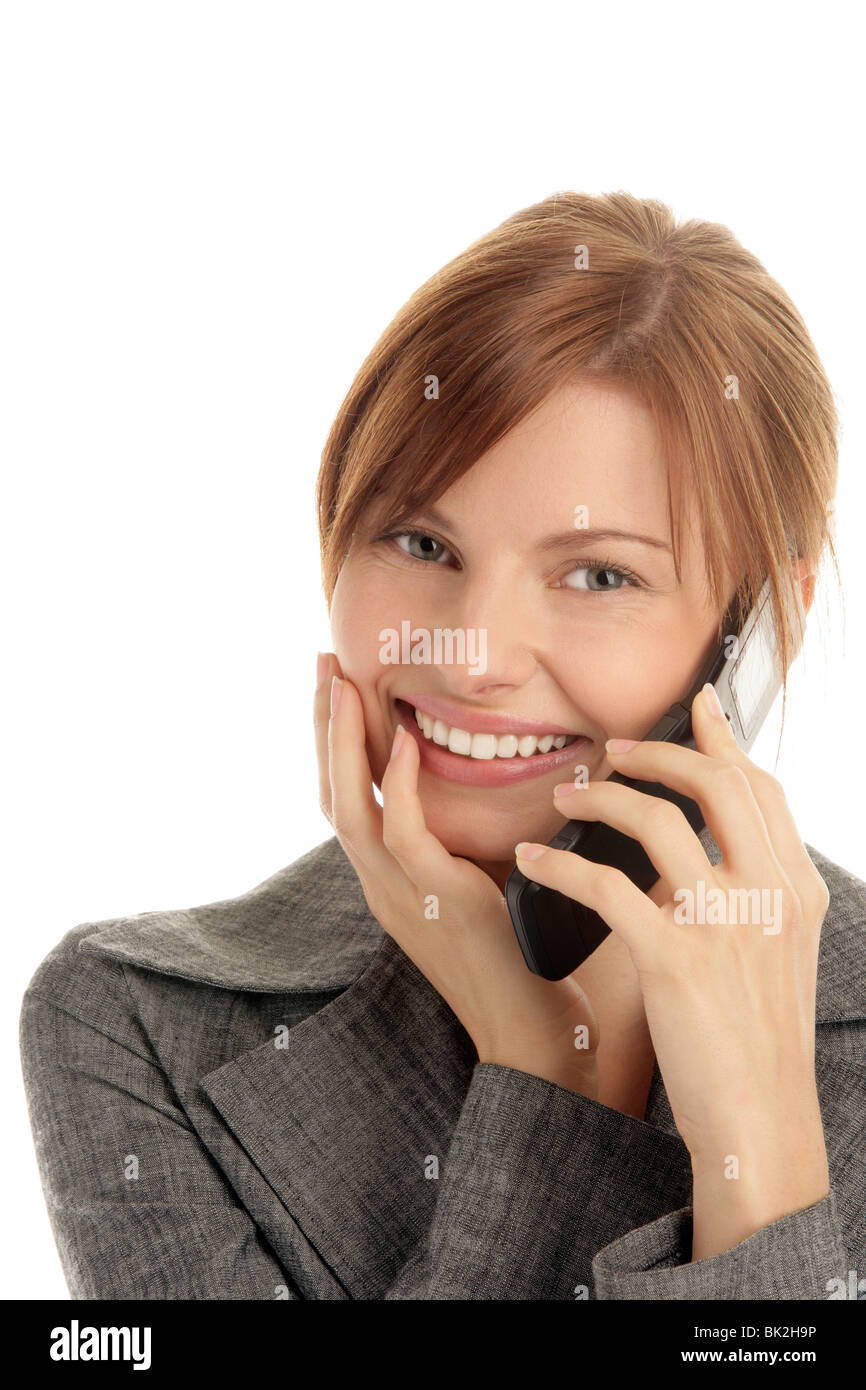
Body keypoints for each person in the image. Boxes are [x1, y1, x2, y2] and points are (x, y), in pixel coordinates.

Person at [20, 192, 866, 1300]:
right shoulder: (140, 1023)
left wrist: (760, 1160)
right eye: (420, 541)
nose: (470, 655)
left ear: (758, 632)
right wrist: (549, 1081)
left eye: (598, 574)